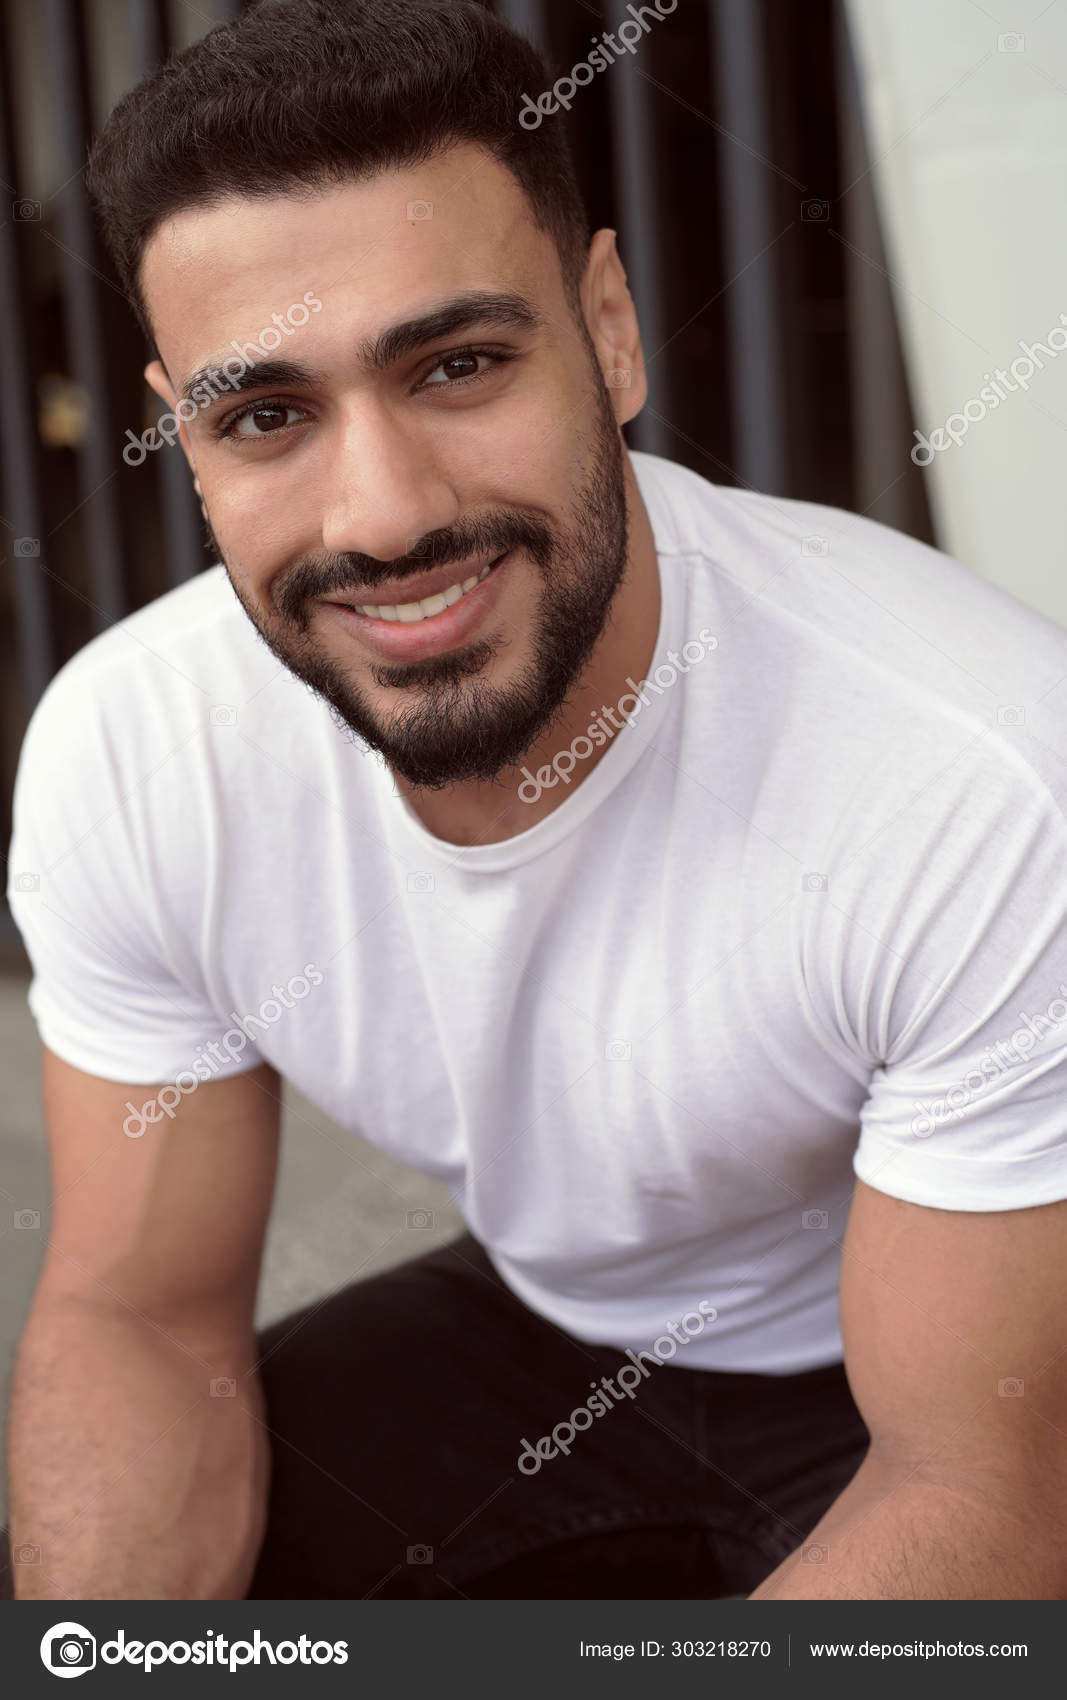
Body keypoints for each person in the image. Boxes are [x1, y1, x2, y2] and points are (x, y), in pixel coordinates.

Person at [4, 0, 1067, 1603]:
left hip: (953, 1380)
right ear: (184, 436)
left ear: (610, 330)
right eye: (266, 415)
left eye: (458, 365)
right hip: (555, 1341)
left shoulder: (982, 779)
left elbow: (985, 1489)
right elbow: (141, 1319)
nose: (384, 516)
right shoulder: (134, 755)